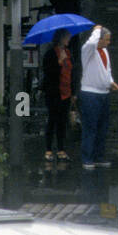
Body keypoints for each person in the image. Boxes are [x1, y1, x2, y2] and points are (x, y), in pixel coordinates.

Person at [78, 25, 118, 170]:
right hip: (90, 94)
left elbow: (107, 70)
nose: (108, 42)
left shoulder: (105, 51)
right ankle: (87, 158)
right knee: (90, 127)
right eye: (106, 39)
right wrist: (96, 30)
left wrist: (110, 82)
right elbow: (90, 43)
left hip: (103, 93)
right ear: (99, 39)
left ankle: (98, 156)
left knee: (102, 127)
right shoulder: (88, 51)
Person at [42, 28, 79, 163]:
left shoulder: (69, 53)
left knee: (63, 121)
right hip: (53, 92)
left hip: (66, 92)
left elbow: (72, 73)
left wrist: (74, 92)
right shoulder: (50, 54)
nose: (69, 39)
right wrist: (58, 63)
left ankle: (61, 149)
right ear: (61, 38)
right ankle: (48, 149)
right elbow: (48, 74)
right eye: (67, 37)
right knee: (52, 120)